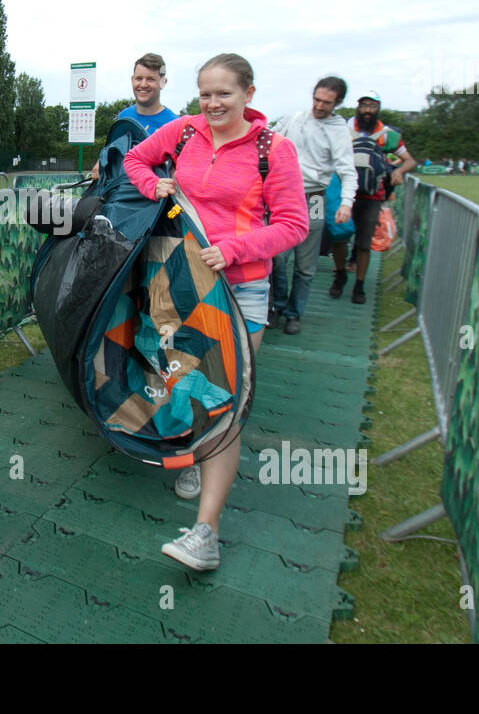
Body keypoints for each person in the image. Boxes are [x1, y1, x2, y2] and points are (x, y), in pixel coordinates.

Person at [122, 53, 308, 569]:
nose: (213, 103)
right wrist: (150, 184)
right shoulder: (183, 132)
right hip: (178, 278)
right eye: (205, 93)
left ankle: (205, 534)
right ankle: (193, 458)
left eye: (224, 93)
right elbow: (136, 160)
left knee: (226, 401)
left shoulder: (276, 150)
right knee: (179, 378)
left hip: (239, 288)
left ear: (249, 93)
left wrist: (233, 249)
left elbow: (294, 225)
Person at [268, 76, 357, 334]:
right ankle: (277, 306)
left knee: (305, 263)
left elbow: (347, 170)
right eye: (317, 99)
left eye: (326, 103)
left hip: (314, 197)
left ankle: (294, 313)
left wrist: (346, 203)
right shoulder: (294, 119)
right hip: (284, 196)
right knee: (277, 258)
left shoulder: (339, 130)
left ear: (337, 103)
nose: (319, 106)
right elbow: (267, 140)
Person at [328, 91, 415, 304]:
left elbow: (409, 160)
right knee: (339, 237)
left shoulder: (388, 135)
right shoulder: (343, 129)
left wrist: (399, 171)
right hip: (343, 192)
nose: (368, 110)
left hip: (372, 195)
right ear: (358, 107)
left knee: (364, 242)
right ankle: (340, 275)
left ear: (378, 108)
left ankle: (359, 284)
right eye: (364, 106)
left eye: (372, 106)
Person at [87, 53, 178, 180]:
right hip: (121, 191)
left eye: (150, 79)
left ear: (163, 82)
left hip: (156, 196)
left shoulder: (174, 124)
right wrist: (100, 163)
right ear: (132, 80)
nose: (143, 84)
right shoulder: (125, 116)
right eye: (139, 78)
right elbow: (113, 150)